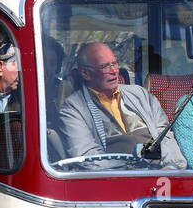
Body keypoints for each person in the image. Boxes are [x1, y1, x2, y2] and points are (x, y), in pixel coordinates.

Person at [57, 41, 185, 168]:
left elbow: (165, 135)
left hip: (161, 173)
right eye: (104, 66)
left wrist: (171, 167)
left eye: (114, 63)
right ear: (85, 73)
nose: (114, 71)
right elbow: (87, 158)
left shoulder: (140, 94)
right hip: (117, 180)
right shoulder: (73, 109)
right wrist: (130, 170)